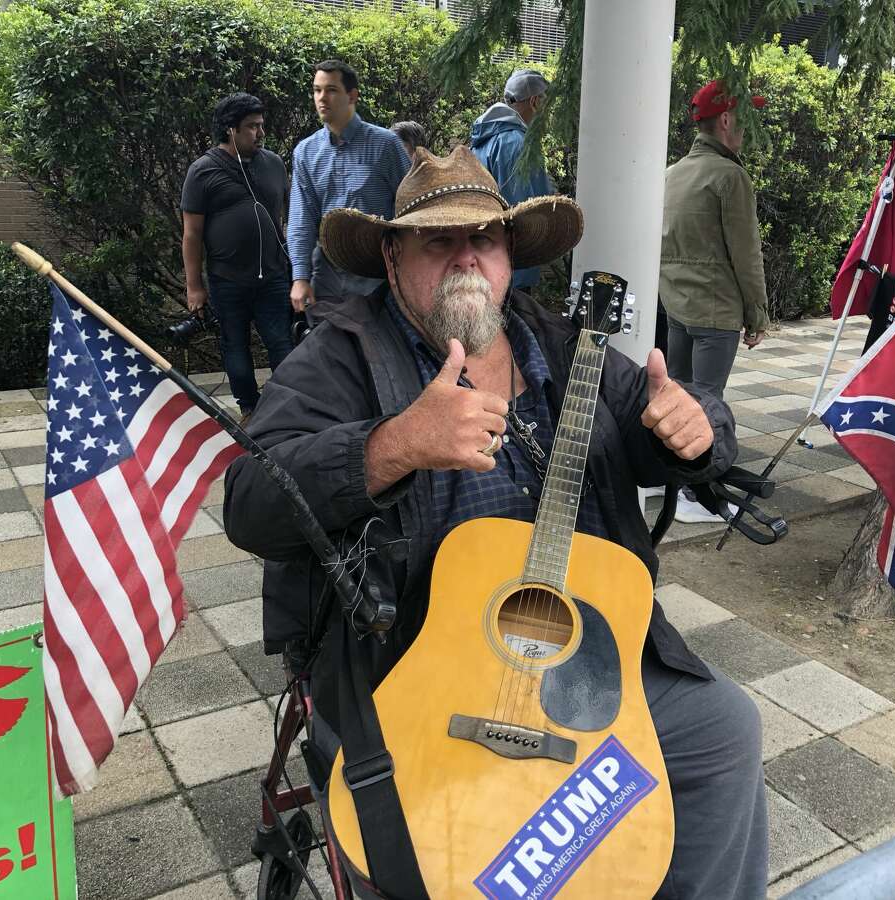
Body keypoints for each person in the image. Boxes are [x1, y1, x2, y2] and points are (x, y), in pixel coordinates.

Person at [223, 147, 767, 900]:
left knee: (723, 730)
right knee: (429, 862)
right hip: (414, 666)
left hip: (577, 658)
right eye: (437, 241)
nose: (466, 259)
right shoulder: (339, 360)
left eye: (484, 238)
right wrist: (393, 444)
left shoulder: (562, 345)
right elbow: (250, 499)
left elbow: (656, 418)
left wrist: (692, 427)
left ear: (511, 252)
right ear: (391, 255)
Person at [658, 79, 771, 523]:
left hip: (678, 308)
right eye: (744, 116)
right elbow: (747, 253)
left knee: (679, 400)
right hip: (716, 313)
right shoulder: (730, 176)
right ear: (725, 120)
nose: (748, 126)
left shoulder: (673, 173)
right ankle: (696, 495)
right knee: (708, 407)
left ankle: (676, 484)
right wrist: (757, 313)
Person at [181, 92, 292, 421]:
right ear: (230, 129)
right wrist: (194, 287)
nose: (260, 133)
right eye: (252, 127)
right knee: (236, 350)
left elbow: (287, 219)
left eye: (261, 125)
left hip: (273, 276)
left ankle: (287, 408)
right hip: (228, 280)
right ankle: (249, 409)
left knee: (282, 345)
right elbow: (191, 234)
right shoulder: (202, 172)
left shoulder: (273, 164)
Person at [287, 59, 411, 318]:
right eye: (317, 90)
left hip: (377, 273)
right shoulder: (306, 152)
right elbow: (301, 220)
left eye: (331, 90)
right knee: (327, 350)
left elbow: (412, 208)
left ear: (352, 96)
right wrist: (300, 277)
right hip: (327, 275)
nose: (322, 98)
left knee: (377, 351)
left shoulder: (385, 145)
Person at [470, 68, 556, 291]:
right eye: (547, 105)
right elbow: (526, 212)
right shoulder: (519, 144)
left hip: (482, 259)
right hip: (513, 269)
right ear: (535, 101)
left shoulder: (484, 138)